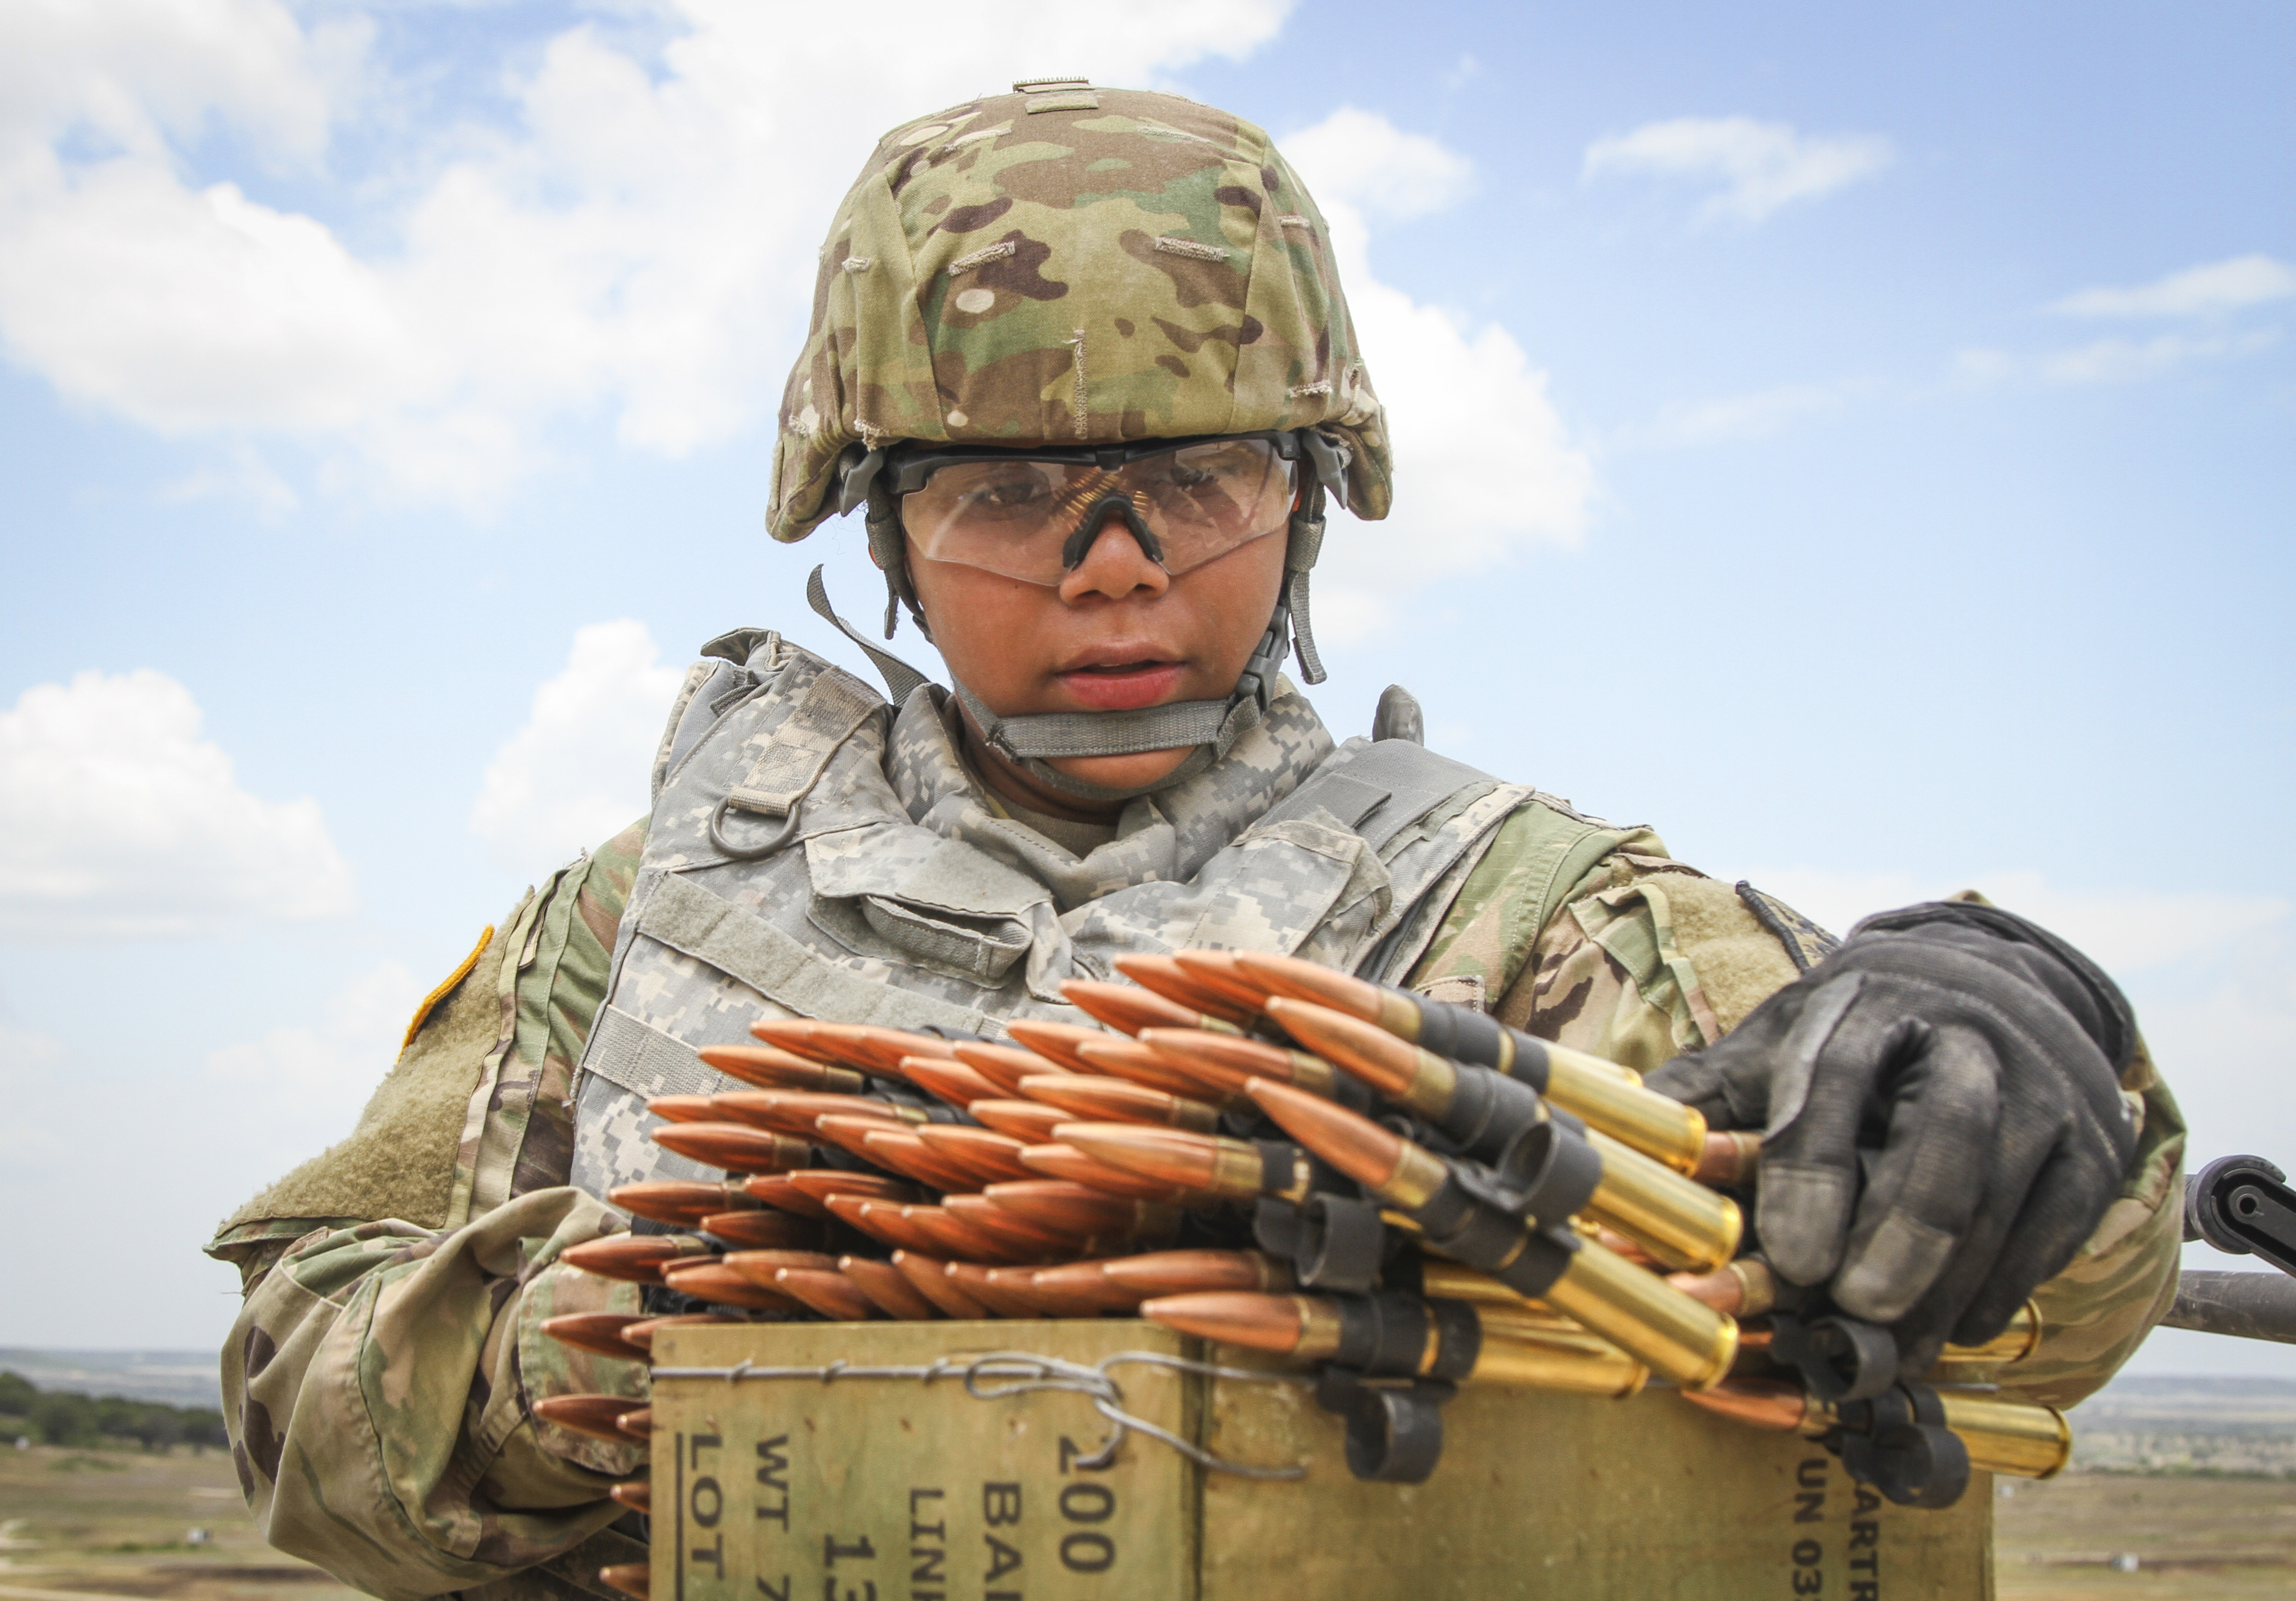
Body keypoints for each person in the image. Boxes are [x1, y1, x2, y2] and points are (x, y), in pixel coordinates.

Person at [205, 81, 2184, 1601]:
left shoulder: (1525, 918)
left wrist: (2011, 1049)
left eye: (1194, 478)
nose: (1111, 576)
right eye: (1004, 493)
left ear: (1309, 493)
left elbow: (2024, 1302)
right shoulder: (642, 915)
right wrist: (624, 1327)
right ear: (877, 525)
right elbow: (300, 1404)